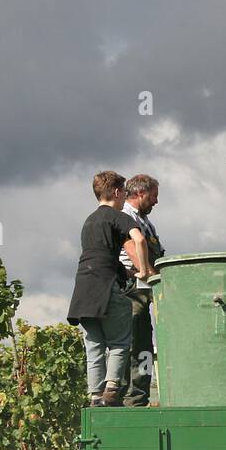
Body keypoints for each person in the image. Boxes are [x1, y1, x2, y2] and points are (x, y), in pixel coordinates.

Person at [66, 171, 153, 406]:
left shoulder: (88, 221)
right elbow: (140, 240)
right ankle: (112, 388)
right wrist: (144, 271)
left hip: (83, 288)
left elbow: (101, 257)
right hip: (106, 287)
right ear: (116, 192)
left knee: (94, 346)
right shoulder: (118, 216)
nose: (125, 196)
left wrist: (129, 273)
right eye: (124, 191)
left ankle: (95, 396)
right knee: (120, 341)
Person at [118, 174, 165, 407]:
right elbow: (134, 254)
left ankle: (141, 396)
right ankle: (130, 400)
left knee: (145, 345)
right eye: (154, 196)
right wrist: (153, 277)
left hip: (146, 291)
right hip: (132, 291)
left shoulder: (146, 222)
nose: (156, 201)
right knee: (134, 344)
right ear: (140, 194)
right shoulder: (125, 217)